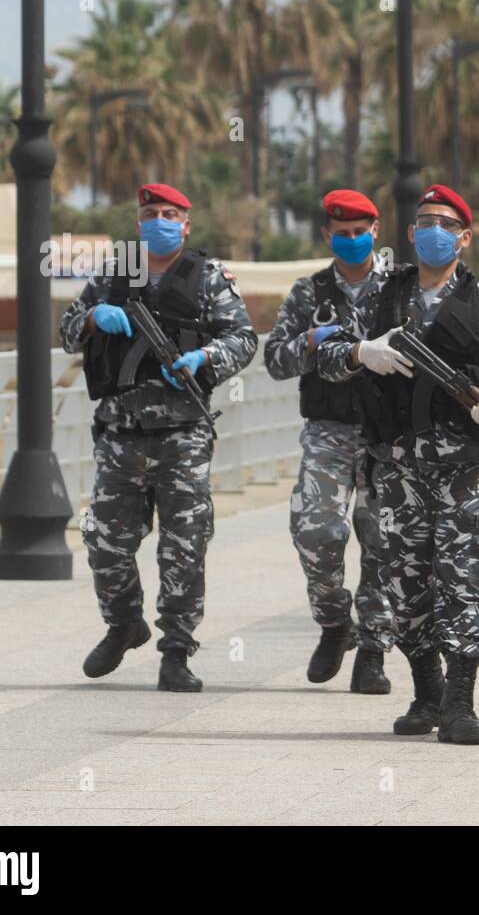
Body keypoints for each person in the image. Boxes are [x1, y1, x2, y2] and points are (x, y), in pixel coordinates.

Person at [315, 184, 479, 744]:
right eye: (424, 221)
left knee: (462, 577)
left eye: (446, 223)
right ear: (410, 234)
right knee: (405, 584)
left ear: (464, 237)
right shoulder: (379, 297)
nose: (434, 231)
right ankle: (426, 693)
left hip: (465, 464)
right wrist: (365, 352)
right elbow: (327, 357)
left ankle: (460, 702)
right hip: (396, 466)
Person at [61, 183, 257, 692]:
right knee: (104, 540)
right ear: (138, 221)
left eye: (171, 214)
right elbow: (65, 332)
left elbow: (243, 338)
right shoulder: (112, 273)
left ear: (186, 224)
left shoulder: (209, 277)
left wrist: (204, 358)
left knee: (184, 545)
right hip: (120, 433)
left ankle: (176, 649)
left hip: (182, 434)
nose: (161, 220)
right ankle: (124, 623)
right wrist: (90, 319)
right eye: (151, 213)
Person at [263, 189, 395, 693]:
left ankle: (375, 650)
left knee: (381, 540)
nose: (354, 240)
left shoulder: (399, 288)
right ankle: (336, 623)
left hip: (387, 432)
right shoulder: (309, 292)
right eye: (343, 234)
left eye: (362, 231)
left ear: (376, 230)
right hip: (328, 431)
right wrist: (310, 341)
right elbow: (275, 361)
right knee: (317, 532)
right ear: (327, 236)